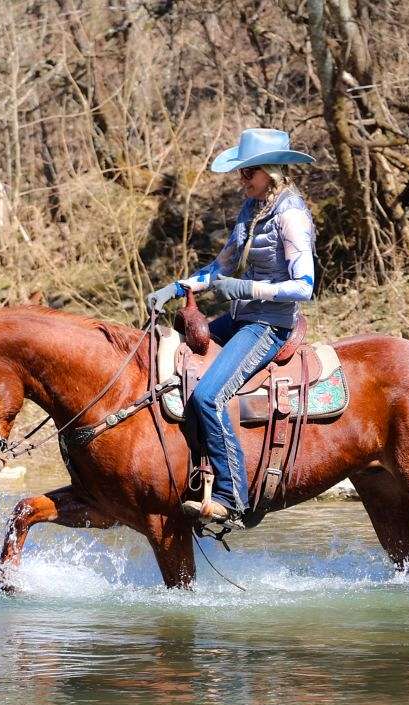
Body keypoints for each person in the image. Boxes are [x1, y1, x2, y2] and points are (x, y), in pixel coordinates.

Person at [147, 128, 317, 525]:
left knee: (208, 396)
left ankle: (231, 495)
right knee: (171, 363)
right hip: (240, 318)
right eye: (241, 174)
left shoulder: (291, 215)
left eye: (248, 174)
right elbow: (220, 266)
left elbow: (304, 286)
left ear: (270, 172)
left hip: (269, 326)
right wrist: (176, 288)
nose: (242, 181)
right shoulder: (252, 209)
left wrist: (249, 288)